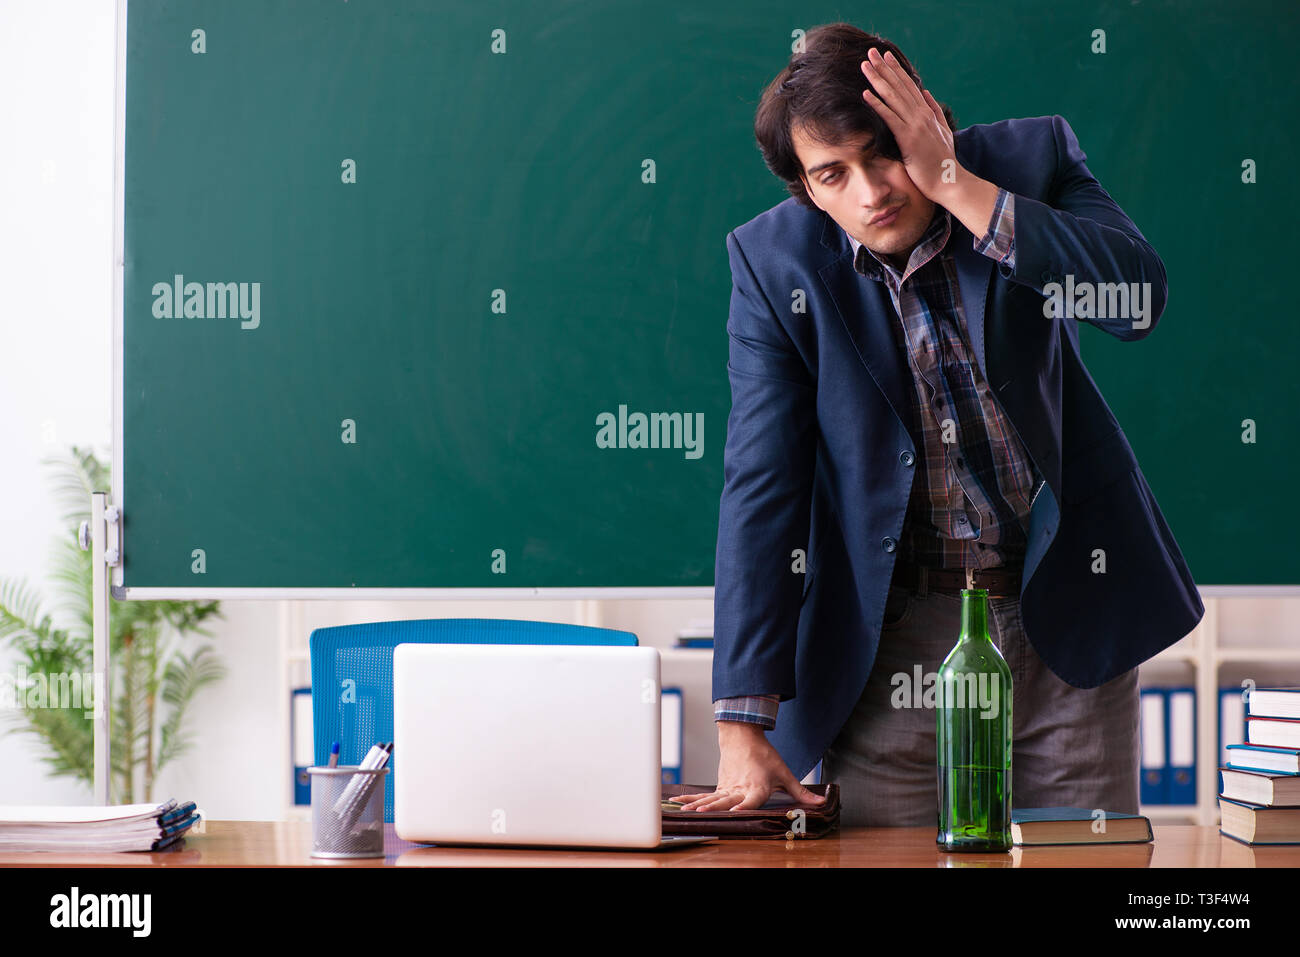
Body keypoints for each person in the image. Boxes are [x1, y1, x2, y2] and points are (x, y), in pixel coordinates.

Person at [675, 23, 1204, 826]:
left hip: (1063, 616)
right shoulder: (773, 264)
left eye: (882, 151)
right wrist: (740, 720)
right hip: (893, 644)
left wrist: (957, 183)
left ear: (927, 118)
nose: (870, 191)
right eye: (833, 175)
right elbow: (761, 486)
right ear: (808, 191)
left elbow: (1136, 300)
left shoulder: (1031, 160)